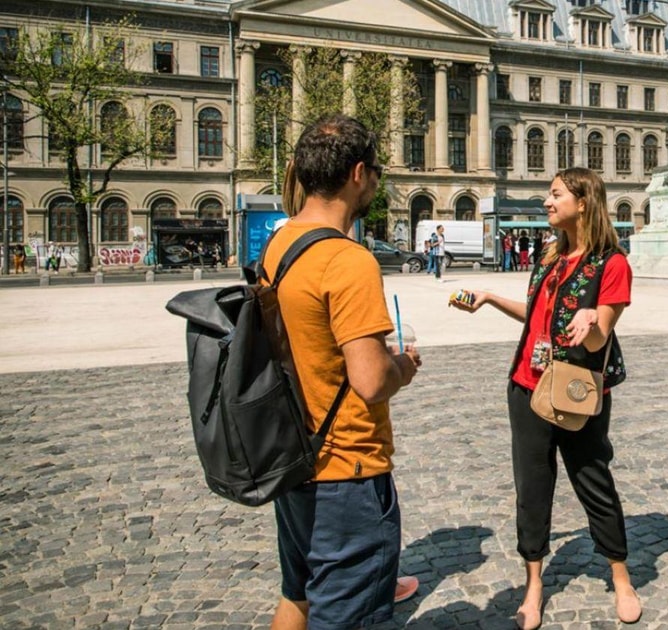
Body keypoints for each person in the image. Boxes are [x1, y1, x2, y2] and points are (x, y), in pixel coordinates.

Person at [450, 167, 640, 629]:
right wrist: (491, 297)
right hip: (526, 386)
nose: (547, 202)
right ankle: (533, 584)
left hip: (577, 392)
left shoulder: (611, 263)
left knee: (593, 479)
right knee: (531, 489)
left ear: (584, 201)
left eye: (555, 195)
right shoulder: (550, 258)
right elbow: (535, 315)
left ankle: (620, 575)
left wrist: (594, 319)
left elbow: (600, 339)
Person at [262, 114, 423, 629]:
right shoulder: (347, 260)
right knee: (343, 614)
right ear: (358, 173)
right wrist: (404, 364)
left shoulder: (279, 245)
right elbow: (370, 380)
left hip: (294, 457)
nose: (377, 181)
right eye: (376, 171)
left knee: (297, 595)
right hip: (346, 469)